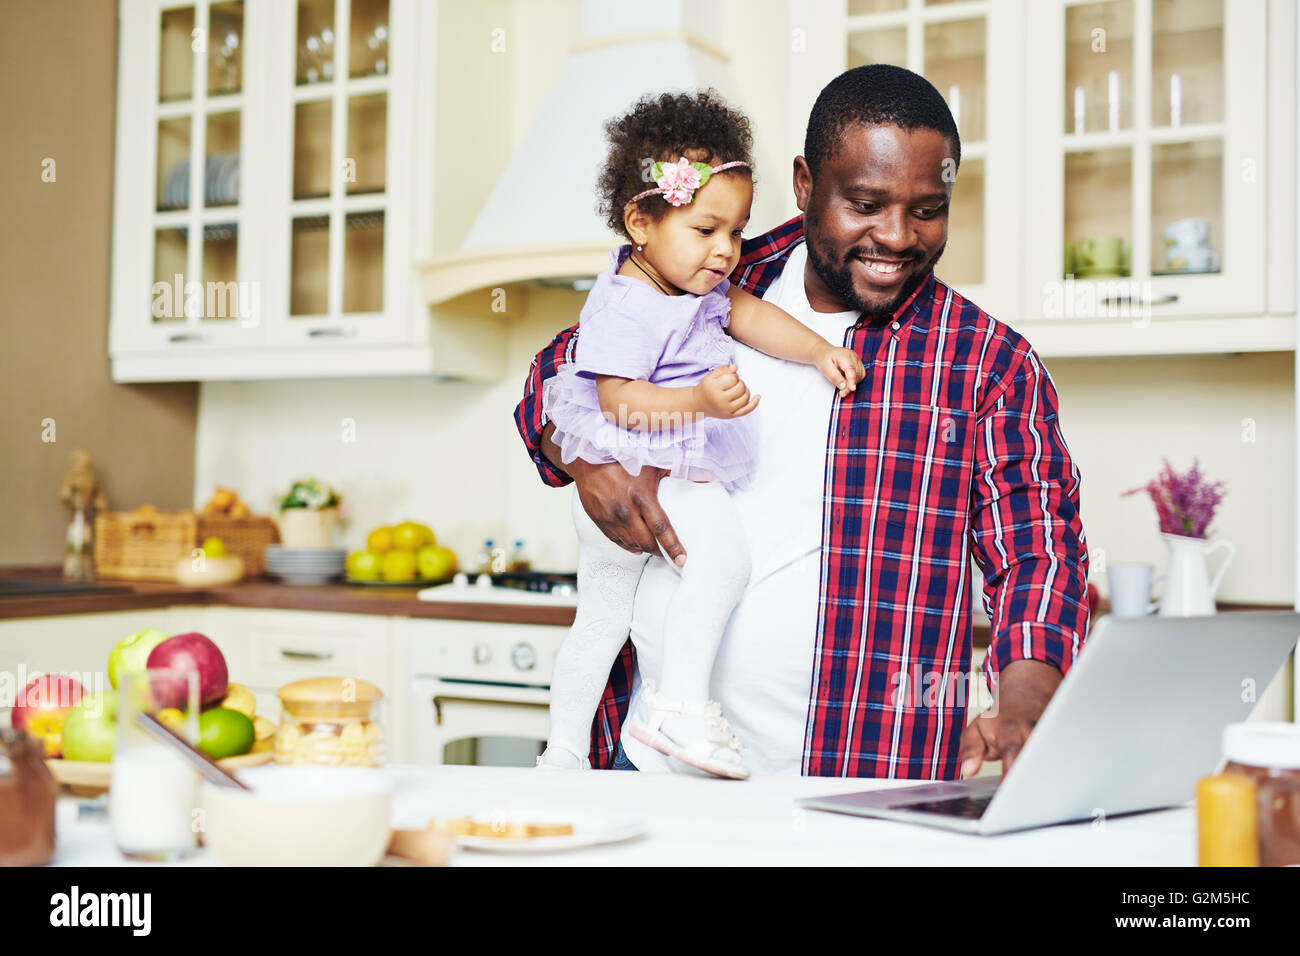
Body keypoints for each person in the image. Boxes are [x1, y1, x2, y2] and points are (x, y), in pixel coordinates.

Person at [514, 65, 1091, 778]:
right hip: (650, 768)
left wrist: (1024, 703)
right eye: (865, 203)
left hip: (861, 780)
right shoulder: (711, 273)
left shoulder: (987, 363)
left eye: (927, 208)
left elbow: (1037, 555)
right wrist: (585, 461)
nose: (897, 236)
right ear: (805, 185)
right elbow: (554, 381)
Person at [535, 90, 865, 779]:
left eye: (737, 232)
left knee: (600, 618)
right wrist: (700, 400)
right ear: (641, 221)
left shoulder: (691, 288)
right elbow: (619, 402)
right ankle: (680, 710)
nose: (725, 252)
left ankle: (562, 751)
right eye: (706, 230)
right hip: (640, 464)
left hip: (645, 473)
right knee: (722, 566)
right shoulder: (625, 305)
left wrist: (814, 353)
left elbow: (749, 318)